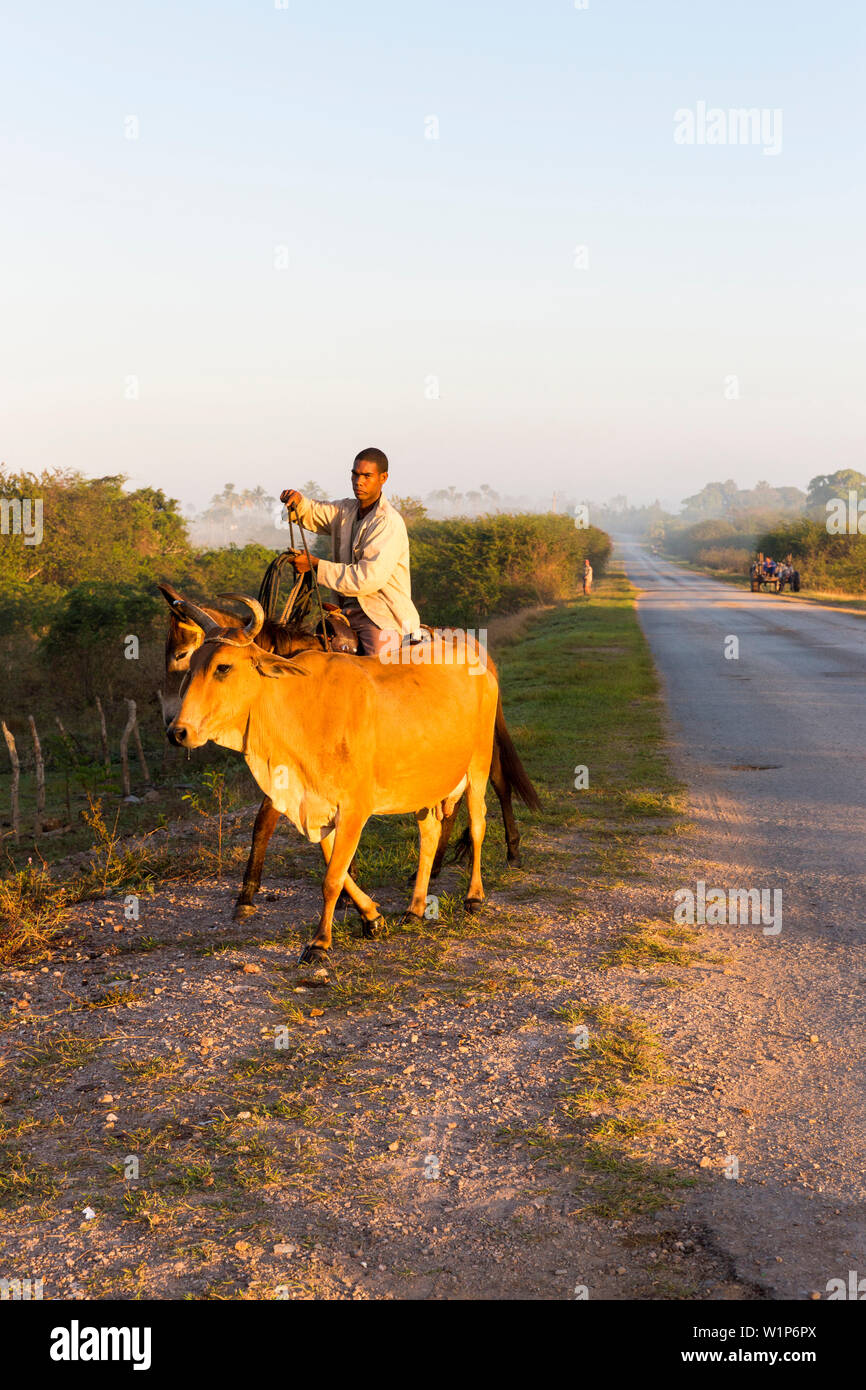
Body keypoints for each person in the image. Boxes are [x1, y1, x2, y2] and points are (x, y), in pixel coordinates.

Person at [280, 448, 421, 658]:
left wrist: (317, 565)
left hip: (380, 615)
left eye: (367, 476)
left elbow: (368, 579)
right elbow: (316, 511)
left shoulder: (387, 522)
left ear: (383, 478)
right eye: (355, 474)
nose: (359, 481)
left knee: (378, 669)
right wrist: (299, 502)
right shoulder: (345, 510)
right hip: (343, 612)